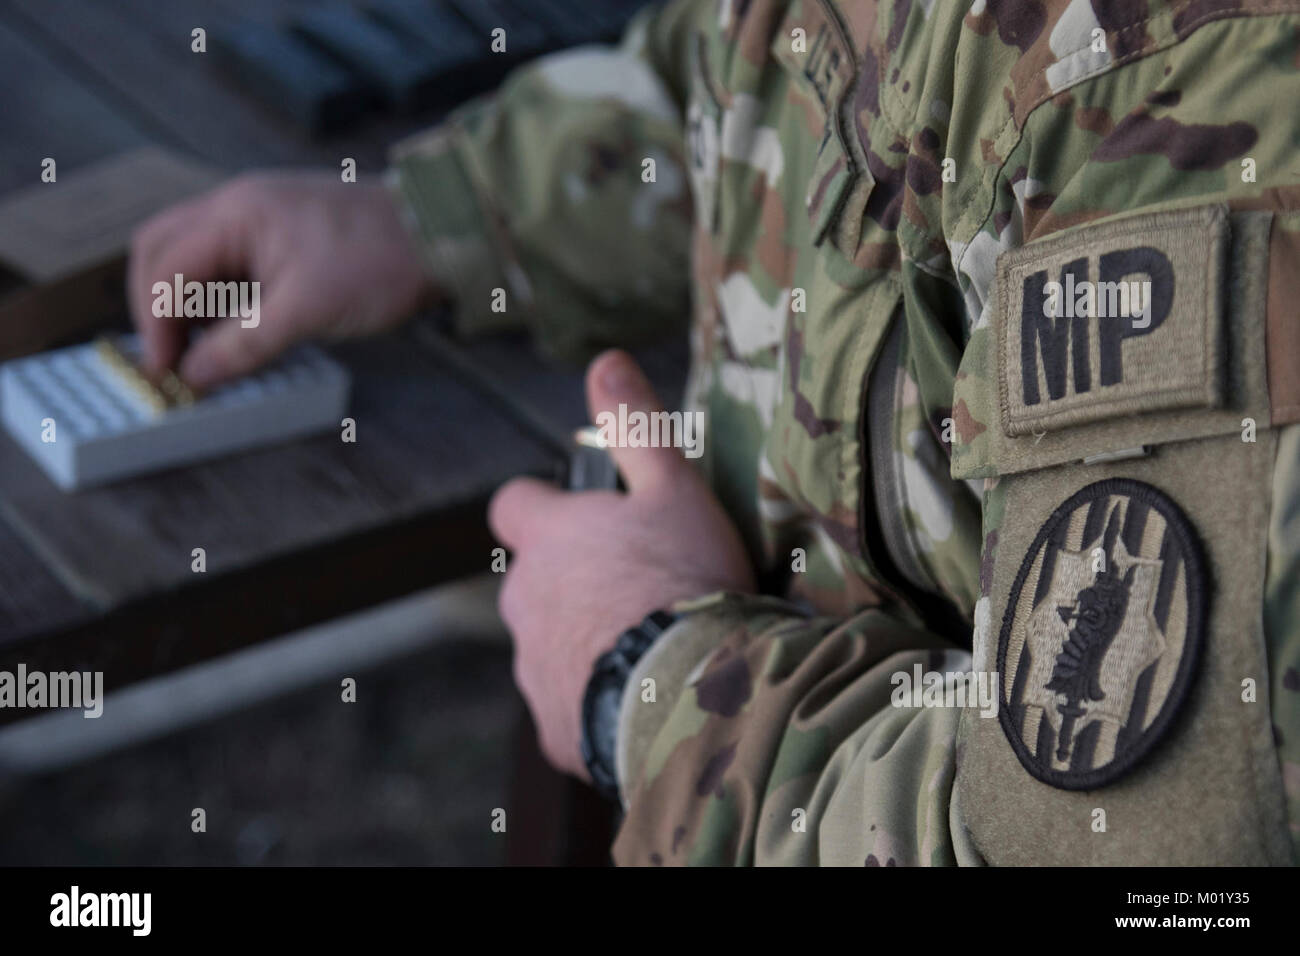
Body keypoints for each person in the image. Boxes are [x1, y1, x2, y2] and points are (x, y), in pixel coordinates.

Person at [128, 0, 1300, 865]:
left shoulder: (1206, 74)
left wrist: (655, 679)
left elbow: (1131, 848)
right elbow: (749, 76)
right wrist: (439, 217)